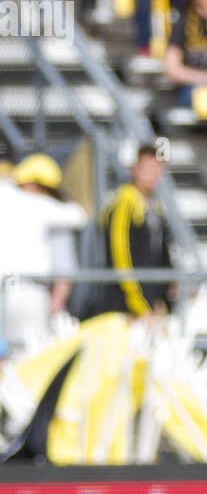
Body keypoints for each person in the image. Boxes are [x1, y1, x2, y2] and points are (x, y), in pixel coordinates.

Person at [0, 156, 86, 358]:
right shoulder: (37, 205)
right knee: (27, 361)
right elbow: (78, 215)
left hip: (6, 290)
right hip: (29, 295)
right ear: (30, 183)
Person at [96, 145, 173, 318]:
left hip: (151, 302)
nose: (153, 176)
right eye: (148, 170)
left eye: (158, 170)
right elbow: (121, 259)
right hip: (127, 306)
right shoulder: (124, 203)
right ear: (134, 168)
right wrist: (139, 304)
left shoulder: (154, 205)